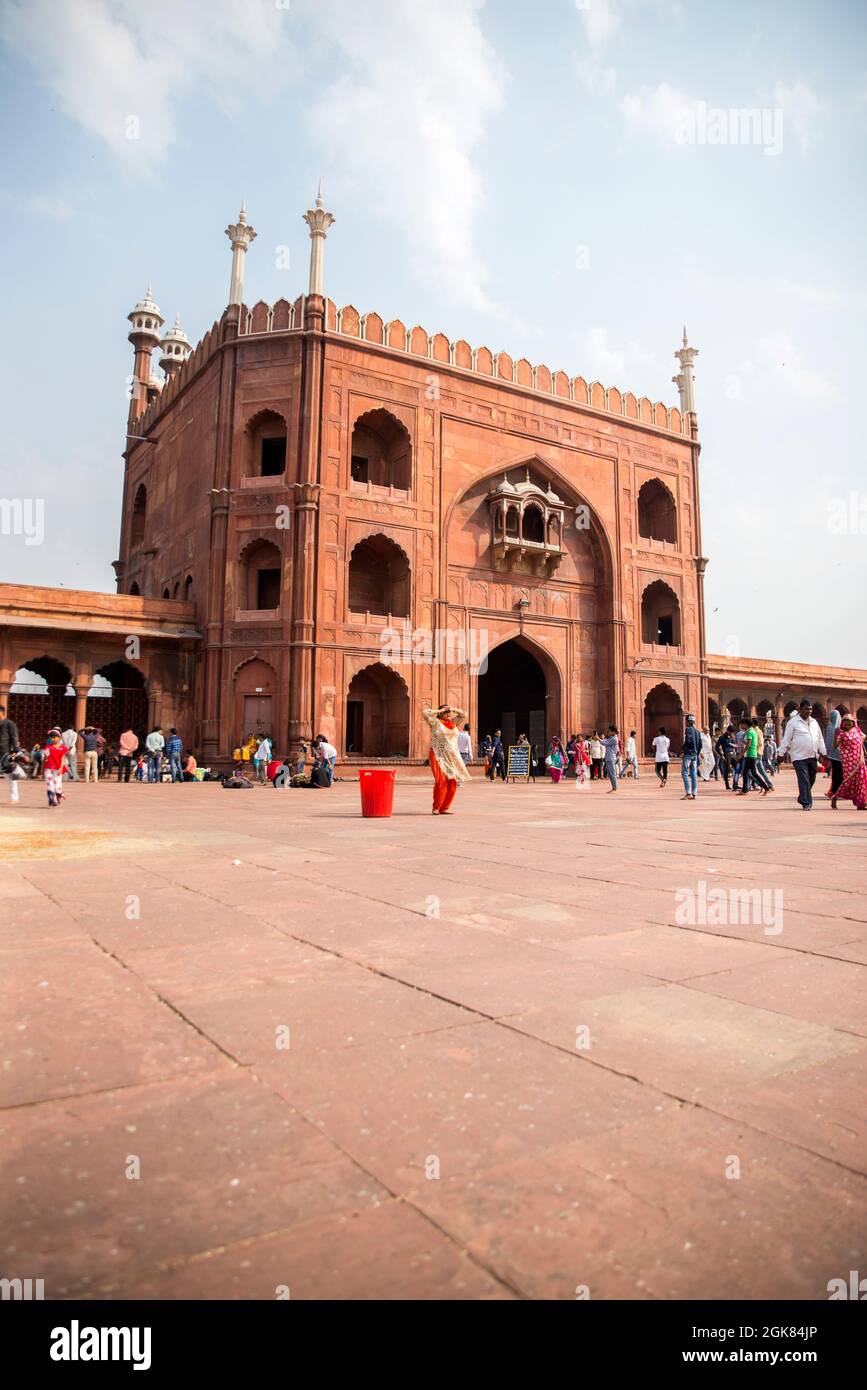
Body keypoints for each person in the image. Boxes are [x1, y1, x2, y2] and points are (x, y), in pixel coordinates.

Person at [777, 699, 826, 810]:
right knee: (804, 779)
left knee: (811, 778)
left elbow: (820, 738)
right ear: (800, 709)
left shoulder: (814, 722)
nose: (808, 711)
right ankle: (806, 803)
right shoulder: (793, 723)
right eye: (806, 709)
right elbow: (786, 739)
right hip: (798, 756)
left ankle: (802, 797)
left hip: (812, 755)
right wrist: (781, 753)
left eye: (810, 709)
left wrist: (824, 752)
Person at [423, 704, 470, 814]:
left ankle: (445, 807)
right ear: (440, 713)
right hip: (437, 754)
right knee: (441, 781)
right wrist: (440, 711)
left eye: (449, 712)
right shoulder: (435, 722)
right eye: (446, 712)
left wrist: (453, 709)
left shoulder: (453, 723)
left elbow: (464, 715)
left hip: (451, 757)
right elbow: (425, 712)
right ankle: (436, 807)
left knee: (452, 782)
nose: (448, 713)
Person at [828, 713, 867, 810]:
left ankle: (861, 803)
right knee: (848, 781)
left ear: (853, 723)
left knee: (861, 781)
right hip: (848, 761)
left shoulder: (857, 731)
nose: (848, 725)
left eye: (850, 723)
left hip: (859, 760)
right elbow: (835, 746)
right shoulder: (841, 733)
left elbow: (863, 739)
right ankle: (835, 797)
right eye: (845, 723)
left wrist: (864, 751)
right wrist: (836, 735)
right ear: (842, 724)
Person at [738, 717, 767, 796]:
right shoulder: (753, 731)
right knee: (746, 772)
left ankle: (766, 787)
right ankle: (745, 789)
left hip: (750, 754)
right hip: (751, 754)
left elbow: (748, 745)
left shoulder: (750, 732)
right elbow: (750, 743)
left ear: (745, 724)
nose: (741, 726)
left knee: (753, 773)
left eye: (742, 724)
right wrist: (743, 741)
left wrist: (740, 754)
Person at [43, 727, 68, 807]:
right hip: (49, 769)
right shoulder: (48, 747)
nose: (52, 739)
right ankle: (52, 800)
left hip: (58, 770)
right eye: (51, 737)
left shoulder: (63, 748)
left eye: (54, 737)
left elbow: (62, 759)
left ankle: (59, 794)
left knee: (57, 786)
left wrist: (61, 768)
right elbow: (45, 758)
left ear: (59, 737)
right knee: (50, 785)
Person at [824, 711, 844, 803]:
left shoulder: (829, 727)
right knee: (840, 774)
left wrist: (826, 753)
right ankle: (837, 791)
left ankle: (835, 791)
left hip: (832, 754)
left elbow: (827, 742)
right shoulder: (842, 729)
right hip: (842, 755)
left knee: (836, 774)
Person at [680, 714, 701, 799]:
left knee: (684, 772)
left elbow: (688, 741)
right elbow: (700, 744)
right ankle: (694, 793)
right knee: (693, 773)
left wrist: (683, 751)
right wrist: (697, 753)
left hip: (688, 754)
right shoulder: (697, 731)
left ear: (688, 722)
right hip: (695, 754)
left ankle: (688, 792)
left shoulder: (688, 729)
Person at [715, 725, 736, 791]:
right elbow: (716, 747)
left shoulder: (732, 736)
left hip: (733, 754)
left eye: (732, 732)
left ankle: (735, 784)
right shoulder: (722, 737)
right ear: (727, 730)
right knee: (727, 770)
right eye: (731, 732)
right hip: (726, 754)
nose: (732, 733)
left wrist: (734, 747)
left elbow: (735, 744)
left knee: (737, 768)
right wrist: (721, 755)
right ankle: (727, 785)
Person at [601, 725, 619, 791]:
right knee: (610, 774)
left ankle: (615, 788)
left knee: (612, 774)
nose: (608, 732)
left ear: (613, 731)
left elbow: (604, 743)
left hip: (611, 758)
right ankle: (614, 787)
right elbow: (605, 741)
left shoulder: (614, 739)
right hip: (608, 757)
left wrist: (598, 739)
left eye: (609, 731)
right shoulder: (611, 738)